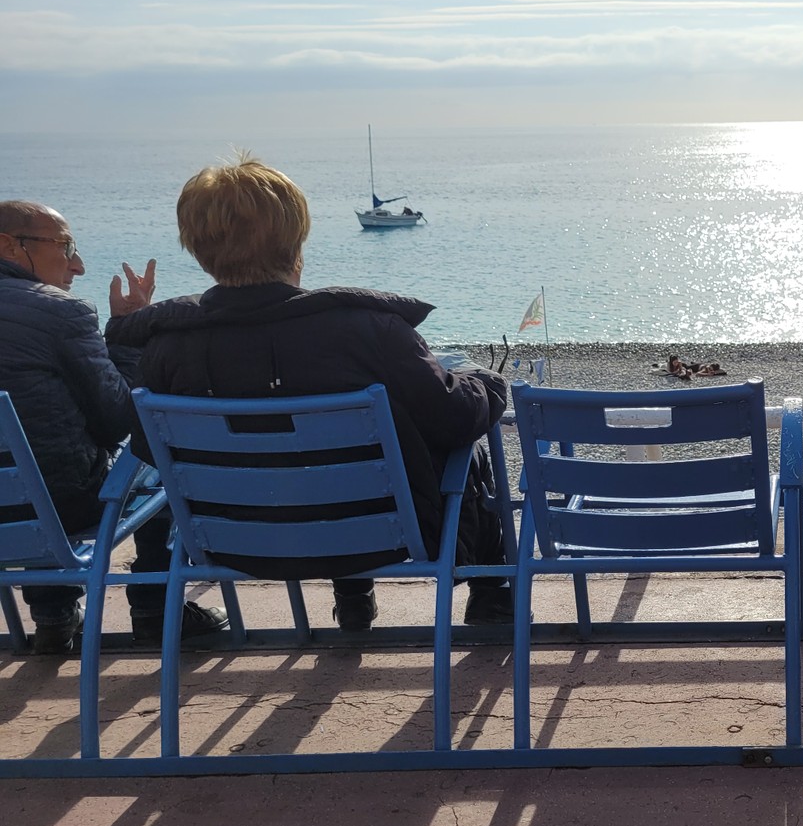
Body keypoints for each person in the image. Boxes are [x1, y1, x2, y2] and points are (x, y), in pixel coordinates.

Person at [105, 156, 513, 631]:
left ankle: (355, 594)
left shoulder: (166, 349)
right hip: (384, 536)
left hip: (235, 543)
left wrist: (128, 335)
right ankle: (492, 595)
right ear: (296, 237)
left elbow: (145, 446)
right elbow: (457, 417)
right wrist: (487, 382)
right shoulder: (372, 330)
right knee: (467, 449)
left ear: (197, 248)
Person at [0, 201, 227, 652]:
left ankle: (55, 615)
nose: (78, 265)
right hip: (61, 508)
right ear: (8, 245)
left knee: (31, 469)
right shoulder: (59, 313)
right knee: (158, 461)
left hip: (17, 510)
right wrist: (125, 332)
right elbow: (119, 419)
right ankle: (155, 609)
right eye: (66, 247)